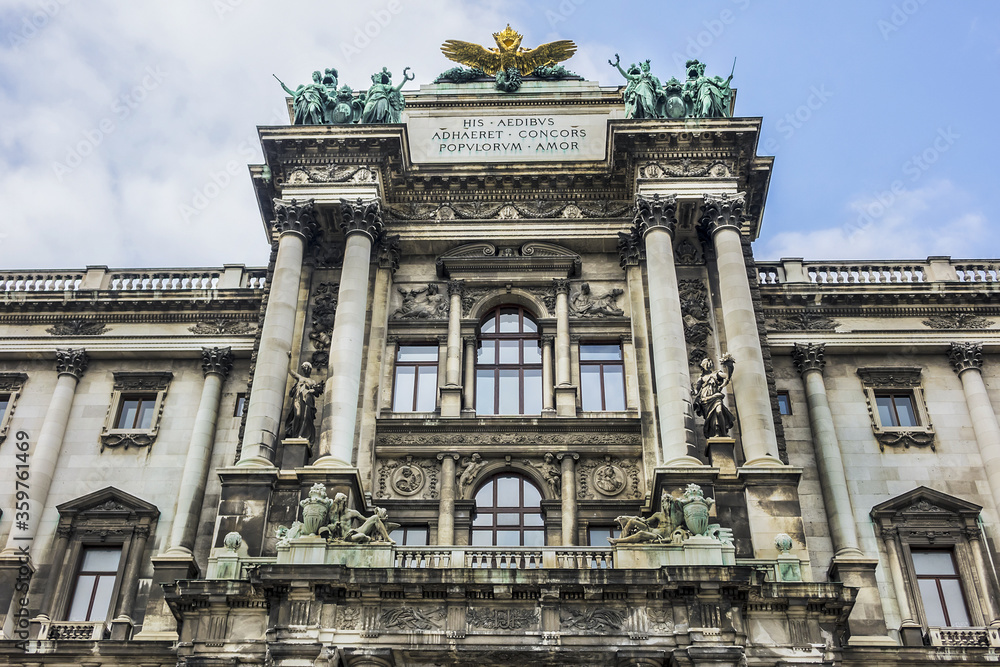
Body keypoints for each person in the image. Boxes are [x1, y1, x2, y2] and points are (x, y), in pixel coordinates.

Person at [608, 54, 665, 119]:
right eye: (642, 66)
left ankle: (652, 117)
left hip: (649, 92)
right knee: (639, 106)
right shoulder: (640, 77)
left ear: (648, 67)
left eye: (645, 65)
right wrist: (618, 67)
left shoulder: (654, 78)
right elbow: (627, 76)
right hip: (639, 91)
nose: (644, 67)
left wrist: (661, 92)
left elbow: (658, 88)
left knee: (649, 104)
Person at [692, 354, 736, 438]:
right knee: (711, 417)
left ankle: (723, 432)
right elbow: (697, 390)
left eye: (710, 363)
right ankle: (716, 432)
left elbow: (727, 377)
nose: (709, 365)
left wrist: (729, 366)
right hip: (706, 400)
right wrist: (693, 391)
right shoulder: (701, 378)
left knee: (719, 411)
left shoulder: (716, 374)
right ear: (703, 365)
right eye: (707, 363)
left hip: (716, 397)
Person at [284, 357, 322, 441]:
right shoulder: (300, 377)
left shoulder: (312, 381)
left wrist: (312, 390)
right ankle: (295, 435)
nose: (305, 369)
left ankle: (302, 435)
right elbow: (289, 370)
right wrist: (289, 359)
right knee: (297, 415)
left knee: (306, 417)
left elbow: (316, 393)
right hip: (298, 398)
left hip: (308, 400)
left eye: (307, 367)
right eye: (304, 367)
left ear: (310, 369)